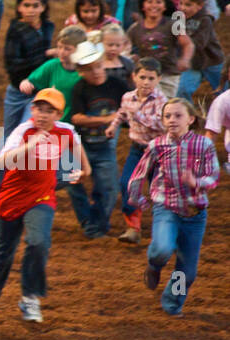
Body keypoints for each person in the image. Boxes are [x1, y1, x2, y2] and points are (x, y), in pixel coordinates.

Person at [0, 88, 87, 326]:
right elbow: (0, 161)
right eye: (39, 109)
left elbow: (84, 166)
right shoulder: (24, 130)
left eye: (50, 110)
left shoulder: (66, 131)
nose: (43, 115)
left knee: (38, 242)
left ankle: (30, 297)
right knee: (3, 250)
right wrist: (30, 145)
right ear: (32, 110)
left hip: (42, 197)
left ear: (59, 113)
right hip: (12, 195)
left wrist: (80, 172)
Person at [126, 98, 220, 317]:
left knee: (186, 272)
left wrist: (197, 182)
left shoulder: (204, 144)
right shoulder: (157, 145)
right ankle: (154, 265)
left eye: (178, 115)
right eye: (167, 116)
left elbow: (213, 176)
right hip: (166, 208)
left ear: (191, 119)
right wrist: (138, 199)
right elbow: (139, 175)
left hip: (195, 214)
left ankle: (171, 303)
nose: (171, 120)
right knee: (161, 249)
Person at [66, 37, 128, 238]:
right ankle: (89, 223)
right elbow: (76, 117)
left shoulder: (118, 85)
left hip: (104, 146)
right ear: (82, 71)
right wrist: (107, 118)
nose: (97, 71)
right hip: (81, 145)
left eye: (99, 66)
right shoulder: (80, 88)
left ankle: (97, 225)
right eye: (90, 68)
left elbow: (130, 107)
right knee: (72, 182)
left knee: (109, 187)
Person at [105, 57, 166, 244]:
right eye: (142, 77)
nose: (146, 82)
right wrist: (113, 126)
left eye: (151, 78)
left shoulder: (161, 100)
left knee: (160, 190)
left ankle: (163, 230)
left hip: (158, 151)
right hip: (137, 149)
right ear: (134, 77)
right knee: (126, 184)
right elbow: (123, 113)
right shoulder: (127, 97)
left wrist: (139, 115)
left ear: (158, 79)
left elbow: (161, 123)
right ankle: (133, 227)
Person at [2, 0, 55, 137]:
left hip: (39, 92)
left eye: (35, 6)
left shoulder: (47, 27)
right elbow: (12, 64)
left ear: (43, 7)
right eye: (26, 5)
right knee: (9, 135)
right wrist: (46, 57)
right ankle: (4, 159)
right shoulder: (16, 30)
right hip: (18, 90)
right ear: (19, 7)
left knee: (29, 130)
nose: (31, 10)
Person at [125, 0, 193, 99]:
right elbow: (125, 49)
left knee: (166, 104)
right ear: (143, 6)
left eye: (158, 2)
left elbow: (187, 44)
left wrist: (185, 59)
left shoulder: (173, 24)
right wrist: (132, 58)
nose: (154, 5)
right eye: (149, 2)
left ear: (165, 6)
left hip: (169, 74)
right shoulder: (135, 29)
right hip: (147, 76)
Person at [19, 25, 89, 124]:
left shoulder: (86, 69)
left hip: (76, 121)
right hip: (53, 121)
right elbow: (32, 80)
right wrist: (25, 82)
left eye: (67, 49)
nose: (61, 52)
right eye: (59, 47)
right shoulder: (53, 65)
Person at [174, 0, 224, 99]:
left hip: (212, 60)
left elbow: (200, 43)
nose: (183, 8)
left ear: (200, 6)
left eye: (188, 5)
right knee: (183, 90)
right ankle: (187, 115)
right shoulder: (177, 18)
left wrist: (184, 41)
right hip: (193, 63)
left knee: (223, 91)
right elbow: (172, 39)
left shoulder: (205, 20)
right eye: (180, 3)